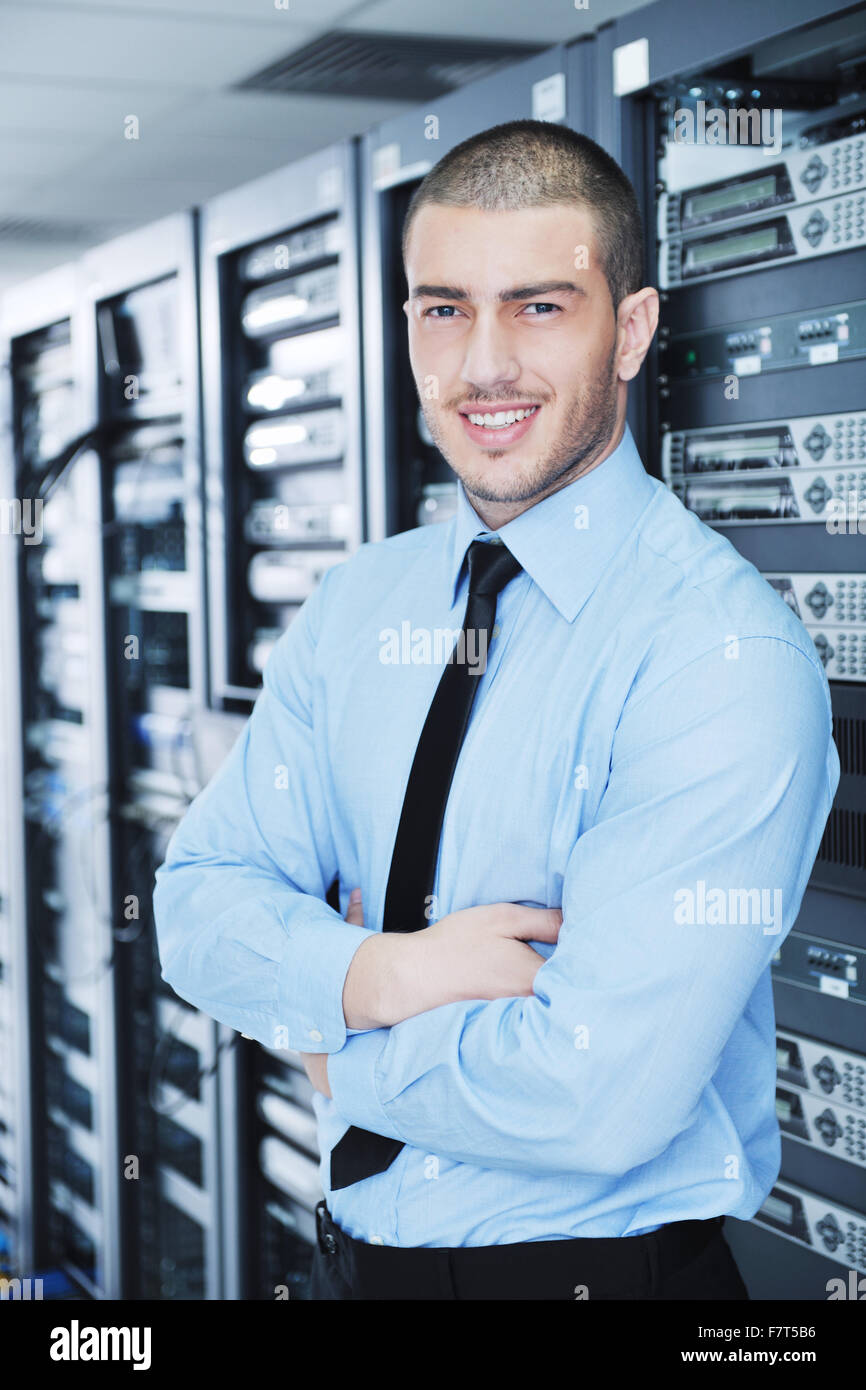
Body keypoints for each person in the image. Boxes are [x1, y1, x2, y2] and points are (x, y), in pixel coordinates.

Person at [153, 120, 839, 1300]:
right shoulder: (356, 606)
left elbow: (596, 1097)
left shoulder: (715, 653)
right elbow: (196, 907)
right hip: (359, 1268)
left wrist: (329, 1040)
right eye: (441, 309)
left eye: (536, 307)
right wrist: (385, 973)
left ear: (627, 331)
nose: (480, 367)